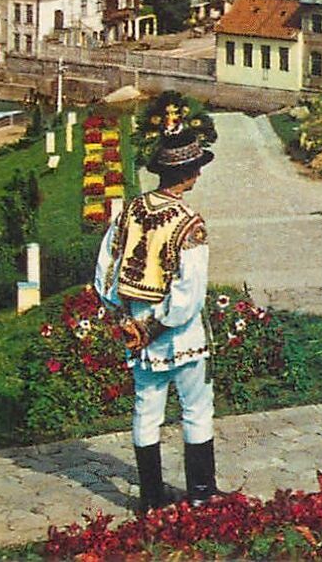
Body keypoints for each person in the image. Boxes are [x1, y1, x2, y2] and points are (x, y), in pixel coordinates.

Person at [94, 106, 219, 513]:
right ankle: (201, 494)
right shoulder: (189, 223)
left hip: (138, 327)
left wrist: (128, 318)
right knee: (196, 407)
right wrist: (160, 326)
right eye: (196, 168)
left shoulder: (129, 210)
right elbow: (190, 293)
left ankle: (151, 499)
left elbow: (105, 271)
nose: (198, 175)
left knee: (147, 408)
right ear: (188, 174)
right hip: (177, 334)